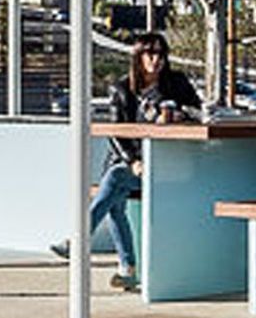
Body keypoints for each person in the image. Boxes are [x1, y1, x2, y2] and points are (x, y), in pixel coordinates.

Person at [52, 32, 202, 292]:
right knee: (115, 196)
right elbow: (117, 132)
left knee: (113, 185)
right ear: (138, 56)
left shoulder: (177, 83)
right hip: (131, 163)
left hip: (167, 162)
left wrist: (177, 115)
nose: (156, 60)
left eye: (160, 54)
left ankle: (81, 242)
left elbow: (199, 113)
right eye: (149, 54)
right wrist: (133, 161)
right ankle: (127, 268)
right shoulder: (122, 88)